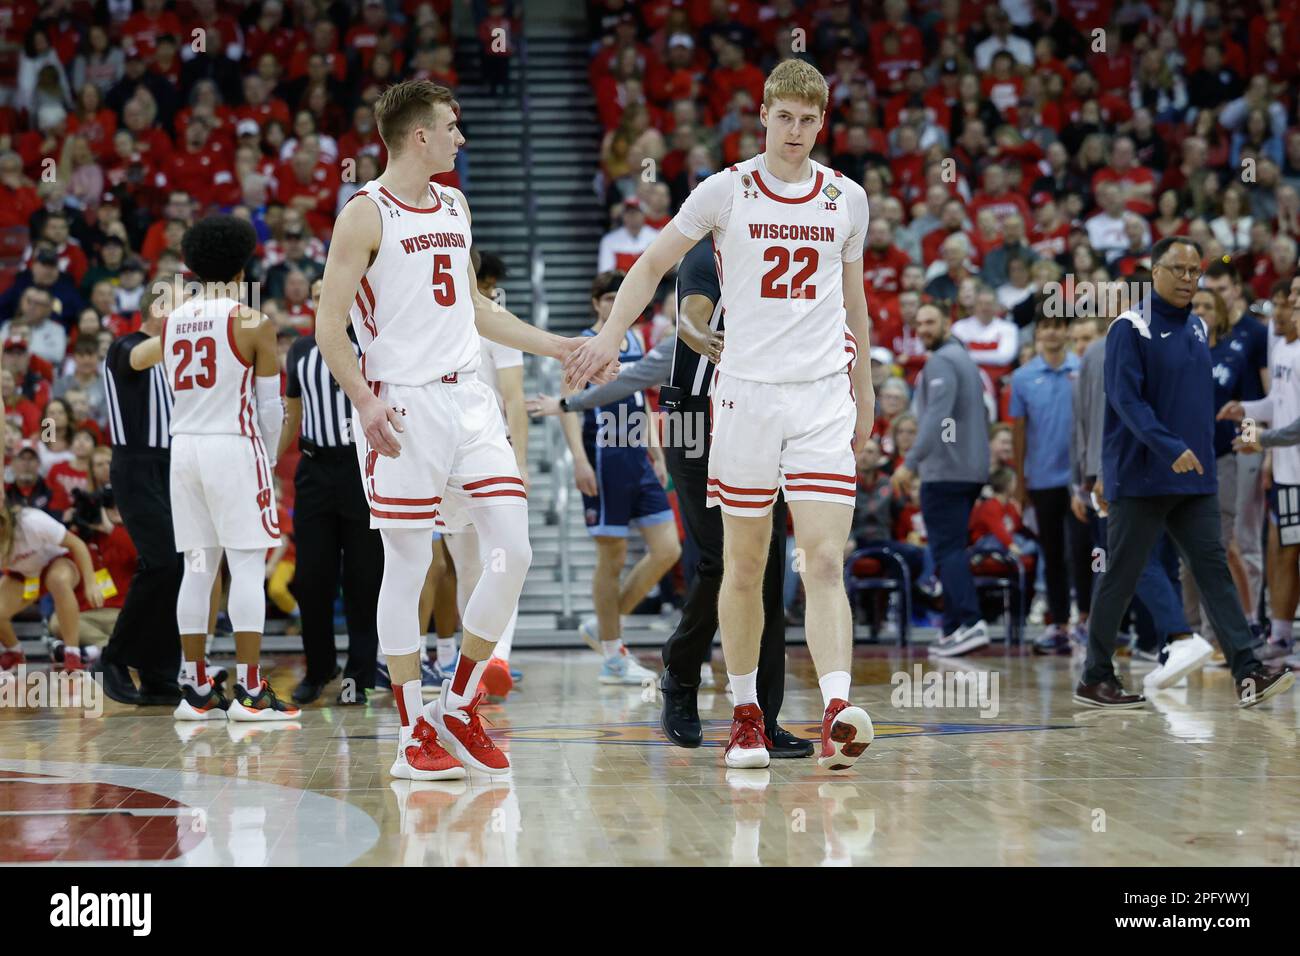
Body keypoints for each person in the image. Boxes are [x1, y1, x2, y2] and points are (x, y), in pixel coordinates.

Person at [565, 59, 876, 771]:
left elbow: (855, 308)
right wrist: (611, 338)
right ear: (763, 114)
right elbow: (650, 268)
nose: (795, 131)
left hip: (824, 397)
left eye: (809, 119)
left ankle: (835, 706)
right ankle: (743, 715)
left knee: (824, 560)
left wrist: (862, 394)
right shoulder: (724, 191)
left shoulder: (847, 199)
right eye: (784, 116)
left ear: (822, 123)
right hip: (742, 397)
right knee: (741, 565)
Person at [313, 80, 614, 781]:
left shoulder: (455, 203)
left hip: (469, 401)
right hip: (403, 406)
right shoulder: (364, 214)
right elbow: (329, 324)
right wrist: (363, 399)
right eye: (452, 127)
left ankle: (459, 703)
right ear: (420, 136)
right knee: (411, 566)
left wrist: (561, 347)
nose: (461, 138)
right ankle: (412, 730)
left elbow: (477, 310)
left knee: (513, 551)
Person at [528, 238, 811, 757]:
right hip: (691, 420)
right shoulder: (708, 253)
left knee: (769, 564)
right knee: (722, 562)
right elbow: (689, 319)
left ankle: (765, 719)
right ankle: (680, 677)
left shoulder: (790, 260)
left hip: (760, 416)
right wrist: (569, 402)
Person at [1080, 237, 1292, 708]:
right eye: (1178, 270)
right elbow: (1125, 401)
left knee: (1213, 568)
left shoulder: (1198, 326)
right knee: (1122, 573)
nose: (1188, 279)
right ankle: (1095, 675)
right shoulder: (1129, 327)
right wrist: (1167, 446)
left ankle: (1247, 670)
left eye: (1195, 271)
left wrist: (1215, 450)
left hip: (1194, 476)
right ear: (1154, 271)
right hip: (1140, 476)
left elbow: (1197, 405)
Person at [138, 215, 300, 722]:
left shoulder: (172, 321)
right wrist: (267, 458)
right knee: (247, 565)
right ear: (244, 264)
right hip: (233, 445)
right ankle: (250, 692)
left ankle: (195, 686)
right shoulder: (253, 322)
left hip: (182, 446)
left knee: (199, 567)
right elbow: (272, 408)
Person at [560, 271, 679, 686]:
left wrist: (657, 450)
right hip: (602, 453)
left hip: (637, 455)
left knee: (668, 549)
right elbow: (567, 405)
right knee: (610, 558)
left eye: (620, 297)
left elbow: (641, 398)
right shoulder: (581, 344)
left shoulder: (637, 341)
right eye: (608, 298)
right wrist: (578, 459)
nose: (614, 305)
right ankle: (613, 655)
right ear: (596, 303)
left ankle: (603, 624)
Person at [281, 322, 384, 706]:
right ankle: (319, 667)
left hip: (361, 468)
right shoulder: (301, 350)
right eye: (318, 293)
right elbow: (292, 413)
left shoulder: (373, 345)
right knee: (311, 578)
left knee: (363, 578)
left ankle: (358, 676)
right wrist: (270, 459)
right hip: (315, 469)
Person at [96, 287, 188, 707]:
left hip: (173, 466)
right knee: (161, 561)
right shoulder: (125, 346)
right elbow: (139, 358)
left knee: (180, 566)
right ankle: (113, 657)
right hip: (135, 466)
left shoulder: (175, 362)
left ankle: (159, 672)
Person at [890, 303, 991, 656]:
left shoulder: (942, 362)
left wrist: (909, 463)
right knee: (952, 548)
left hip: (946, 471)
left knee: (946, 549)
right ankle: (952, 628)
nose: (923, 328)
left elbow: (935, 417)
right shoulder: (964, 359)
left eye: (930, 321)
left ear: (947, 323)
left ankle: (969, 621)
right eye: (918, 322)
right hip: (969, 469)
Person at [1220, 273, 1300, 664]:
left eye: (1291, 300)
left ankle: (1268, 629)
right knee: (1281, 550)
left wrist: (1261, 443)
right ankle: (1280, 635)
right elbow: (1271, 402)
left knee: (1270, 547)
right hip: (1285, 471)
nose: (1286, 309)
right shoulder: (1282, 346)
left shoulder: (1269, 339)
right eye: (1286, 300)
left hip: (1285, 462)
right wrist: (1245, 413)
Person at [1008, 312, 1090, 653]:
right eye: (1046, 327)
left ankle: (1085, 620)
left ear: (1068, 331)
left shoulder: (1083, 370)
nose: (1053, 333)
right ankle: (1058, 623)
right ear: (1038, 332)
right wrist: (1020, 478)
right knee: (1052, 553)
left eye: (1058, 326)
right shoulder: (1023, 377)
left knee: (1083, 552)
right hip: (1041, 479)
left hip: (1079, 480)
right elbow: (1018, 430)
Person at [0, 498, 103, 673]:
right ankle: (14, 653)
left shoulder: (31, 521)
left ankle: (73, 654)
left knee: (57, 580)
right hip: (26, 575)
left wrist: (91, 583)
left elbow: (77, 544)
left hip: (58, 562)